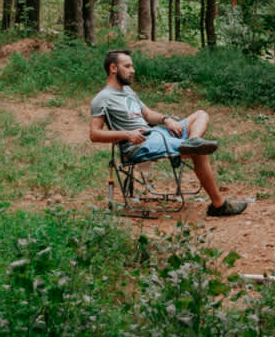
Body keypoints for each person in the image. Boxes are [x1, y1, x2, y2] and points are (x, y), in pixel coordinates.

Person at [89, 49, 247, 217]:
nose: (132, 70)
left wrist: (166, 119)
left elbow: (148, 115)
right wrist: (127, 134)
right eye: (127, 66)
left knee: (201, 115)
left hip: (156, 134)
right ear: (113, 68)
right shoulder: (102, 98)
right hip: (140, 144)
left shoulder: (128, 91)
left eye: (132, 66)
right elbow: (94, 134)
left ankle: (192, 141)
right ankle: (219, 205)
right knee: (198, 151)